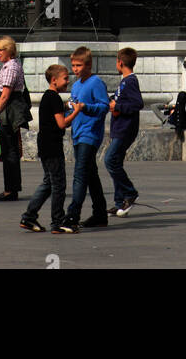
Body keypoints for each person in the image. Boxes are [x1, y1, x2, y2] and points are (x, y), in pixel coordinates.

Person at [20, 64, 81, 233]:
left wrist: (67, 106)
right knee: (58, 184)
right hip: (53, 145)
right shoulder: (54, 98)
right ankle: (58, 221)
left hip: (44, 144)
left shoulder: (48, 97)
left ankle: (29, 216)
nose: (68, 81)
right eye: (65, 78)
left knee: (48, 182)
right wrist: (76, 111)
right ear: (54, 80)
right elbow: (61, 123)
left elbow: (55, 113)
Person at [59, 46, 110, 233]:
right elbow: (74, 108)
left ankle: (73, 215)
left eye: (79, 65)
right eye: (73, 65)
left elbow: (104, 106)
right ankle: (100, 215)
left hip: (90, 134)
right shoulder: (76, 85)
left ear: (89, 65)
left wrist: (86, 107)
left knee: (80, 174)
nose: (75, 69)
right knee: (90, 175)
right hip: (78, 133)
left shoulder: (96, 82)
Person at [0, 36, 31, 202]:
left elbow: (5, 95)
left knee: (10, 150)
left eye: (0, 50)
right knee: (9, 150)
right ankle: (10, 188)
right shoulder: (9, 66)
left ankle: (11, 189)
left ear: (9, 51)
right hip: (8, 109)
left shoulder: (11, 67)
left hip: (9, 111)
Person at [105, 46, 144, 216]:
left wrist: (118, 106)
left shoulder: (130, 81)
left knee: (110, 160)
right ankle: (120, 202)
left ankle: (129, 192)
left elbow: (137, 104)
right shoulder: (125, 82)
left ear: (120, 63)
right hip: (119, 128)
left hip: (125, 129)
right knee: (116, 162)